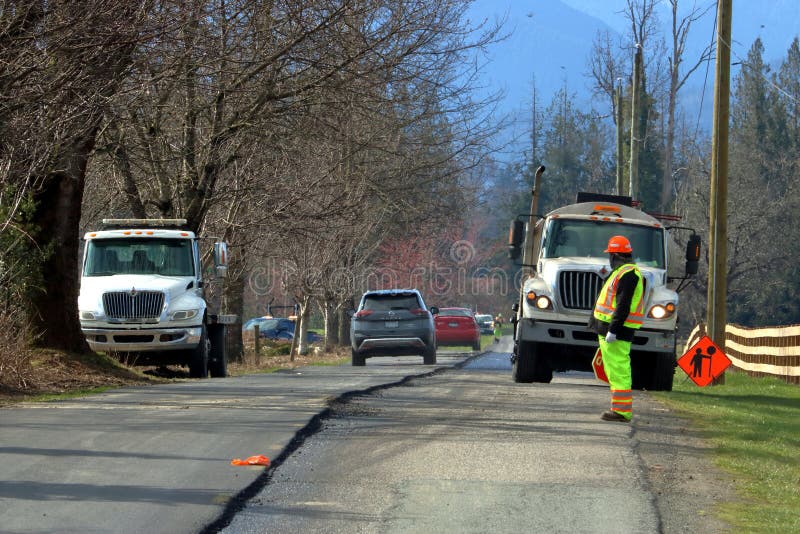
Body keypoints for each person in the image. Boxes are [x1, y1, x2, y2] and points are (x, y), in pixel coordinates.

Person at [588, 235, 644, 423]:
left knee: (619, 370)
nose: (609, 259)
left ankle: (621, 411)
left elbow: (623, 305)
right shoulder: (623, 272)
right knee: (614, 370)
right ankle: (618, 409)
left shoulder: (628, 274)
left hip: (616, 331)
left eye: (610, 255)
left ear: (616, 255)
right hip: (608, 329)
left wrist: (614, 329)